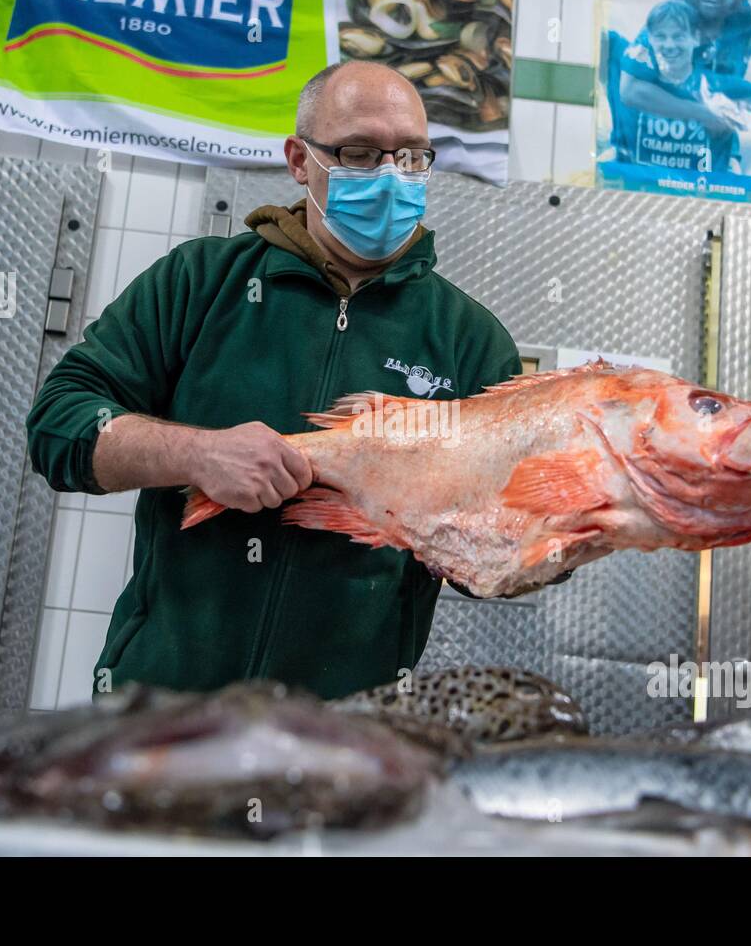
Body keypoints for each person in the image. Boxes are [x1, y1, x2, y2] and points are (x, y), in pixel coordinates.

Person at [26, 61, 523, 700]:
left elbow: (505, 550)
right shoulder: (200, 283)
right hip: (163, 710)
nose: (391, 177)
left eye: (411, 157)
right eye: (360, 153)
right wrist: (199, 455)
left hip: (345, 737)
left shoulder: (471, 342)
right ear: (298, 159)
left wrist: (577, 521)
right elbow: (58, 424)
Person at [611, 0, 751, 174]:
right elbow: (629, 92)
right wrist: (704, 113)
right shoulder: (655, 35)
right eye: (661, 37)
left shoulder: (721, 80)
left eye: (678, 37)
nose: (669, 44)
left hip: (712, 171)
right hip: (645, 176)